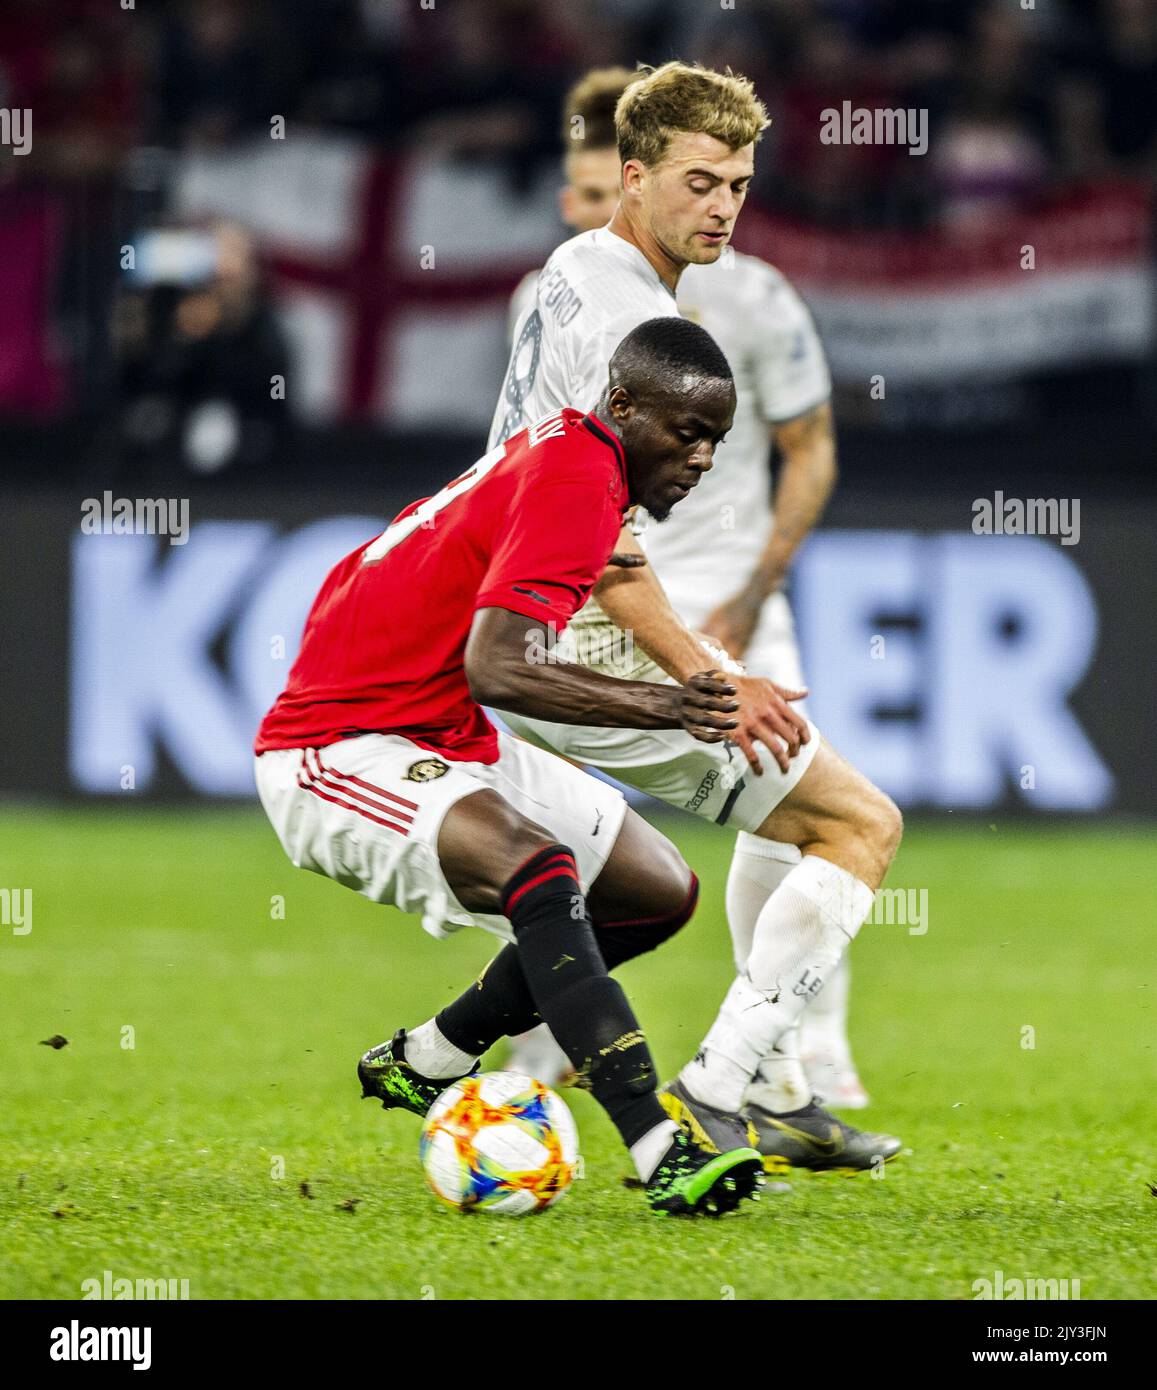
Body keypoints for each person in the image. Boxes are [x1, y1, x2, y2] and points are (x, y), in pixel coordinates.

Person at [255, 317, 776, 1215]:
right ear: (623, 406)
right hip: (333, 746)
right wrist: (669, 705)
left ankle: (434, 1056)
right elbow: (498, 666)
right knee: (537, 868)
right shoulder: (579, 479)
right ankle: (659, 1146)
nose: (699, 459)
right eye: (685, 433)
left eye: (715, 442)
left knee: (655, 891)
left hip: (439, 727)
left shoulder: (576, 458)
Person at [490, 60, 902, 1172]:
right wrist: (712, 677)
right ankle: (725, 1089)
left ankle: (460, 1057)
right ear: (631, 177)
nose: (720, 206)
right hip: (587, 638)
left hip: (534, 623)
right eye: (698, 182)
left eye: (739, 185)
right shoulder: (637, 329)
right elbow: (612, 556)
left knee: (607, 874)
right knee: (856, 826)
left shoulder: (572, 270)